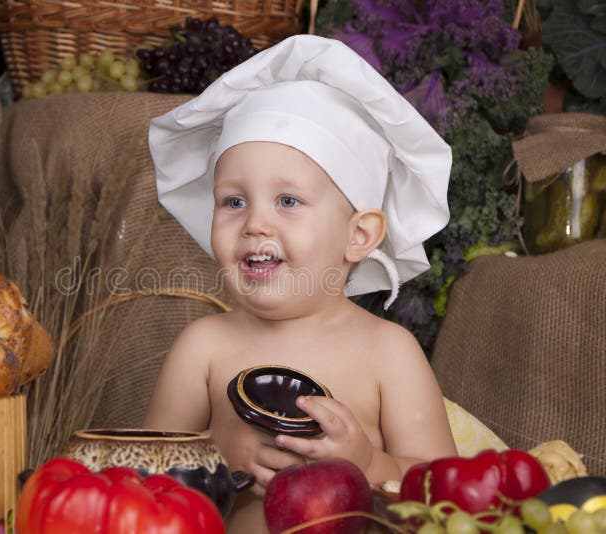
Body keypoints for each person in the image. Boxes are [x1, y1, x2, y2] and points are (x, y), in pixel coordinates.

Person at [143, 34, 458, 533]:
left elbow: (442, 494)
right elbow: (142, 477)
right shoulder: (203, 347)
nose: (255, 225)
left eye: (287, 201)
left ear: (358, 235)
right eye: (233, 201)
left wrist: (367, 463)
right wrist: (212, 459)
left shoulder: (388, 352)